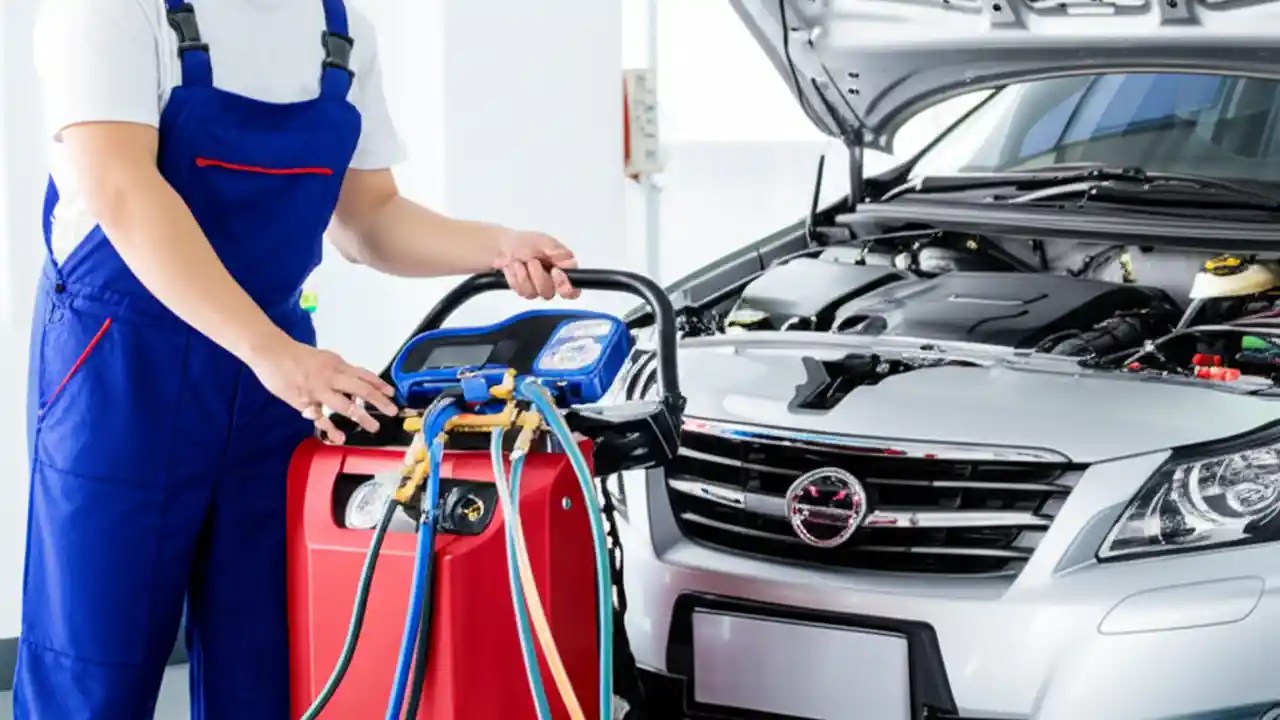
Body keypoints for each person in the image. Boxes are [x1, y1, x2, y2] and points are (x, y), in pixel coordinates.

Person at [18, 0, 580, 717]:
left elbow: (369, 217)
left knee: (268, 657)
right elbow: (122, 191)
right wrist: (271, 353)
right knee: (93, 660)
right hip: (120, 368)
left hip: (273, 384)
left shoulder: (339, 31)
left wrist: (496, 246)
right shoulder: (115, 12)